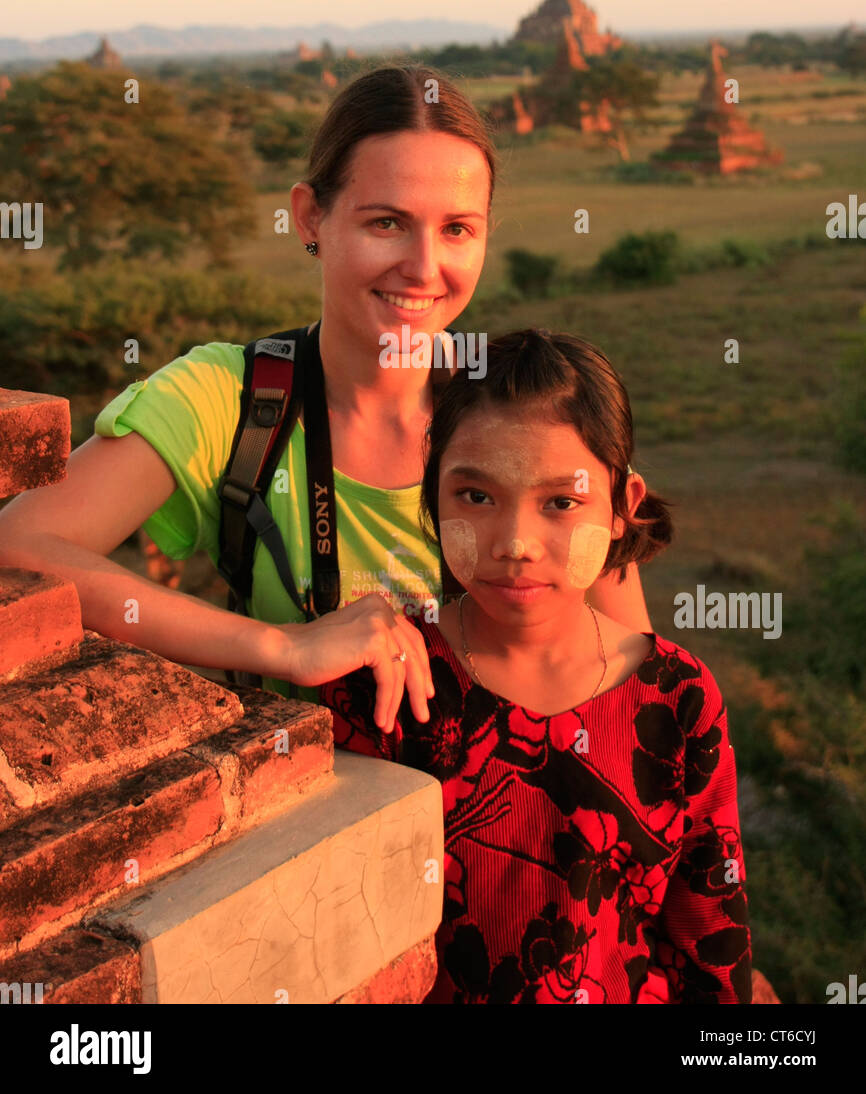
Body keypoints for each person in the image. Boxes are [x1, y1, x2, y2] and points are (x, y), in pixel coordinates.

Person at [0, 64, 655, 734]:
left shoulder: (533, 407)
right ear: (311, 216)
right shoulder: (236, 400)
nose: (424, 268)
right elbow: (19, 545)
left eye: (457, 229)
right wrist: (284, 648)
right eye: (388, 223)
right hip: (318, 820)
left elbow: (635, 689)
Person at [318, 328, 752, 1004]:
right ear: (432, 501)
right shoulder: (390, 687)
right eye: (476, 497)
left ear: (622, 509)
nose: (515, 543)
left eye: (561, 502)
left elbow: (708, 934)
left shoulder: (680, 700)